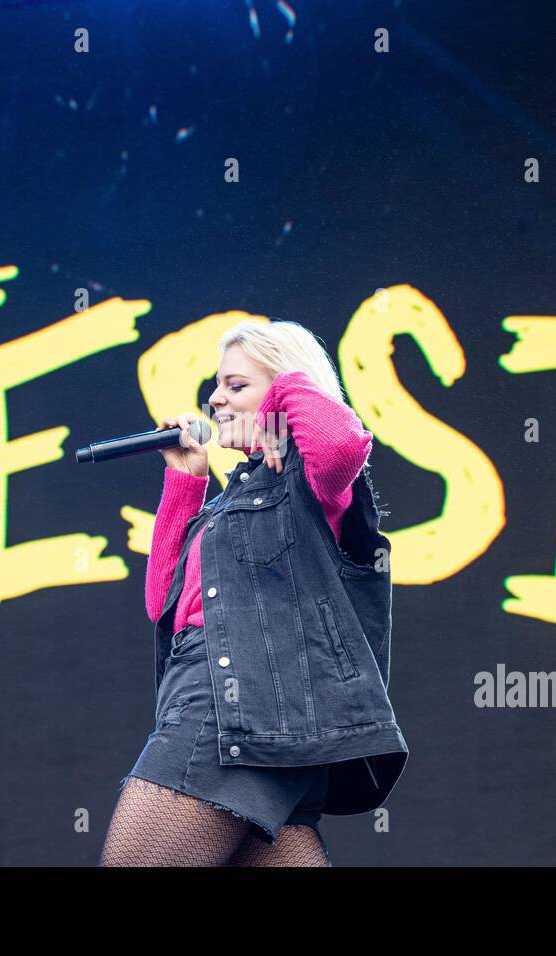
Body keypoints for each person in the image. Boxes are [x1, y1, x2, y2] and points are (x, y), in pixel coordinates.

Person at [99, 319, 408, 866]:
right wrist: (186, 481)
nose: (214, 397)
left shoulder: (310, 480)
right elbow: (163, 607)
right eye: (218, 385)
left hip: (225, 710)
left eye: (236, 385)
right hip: (247, 718)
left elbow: (341, 443)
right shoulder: (226, 502)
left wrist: (287, 392)